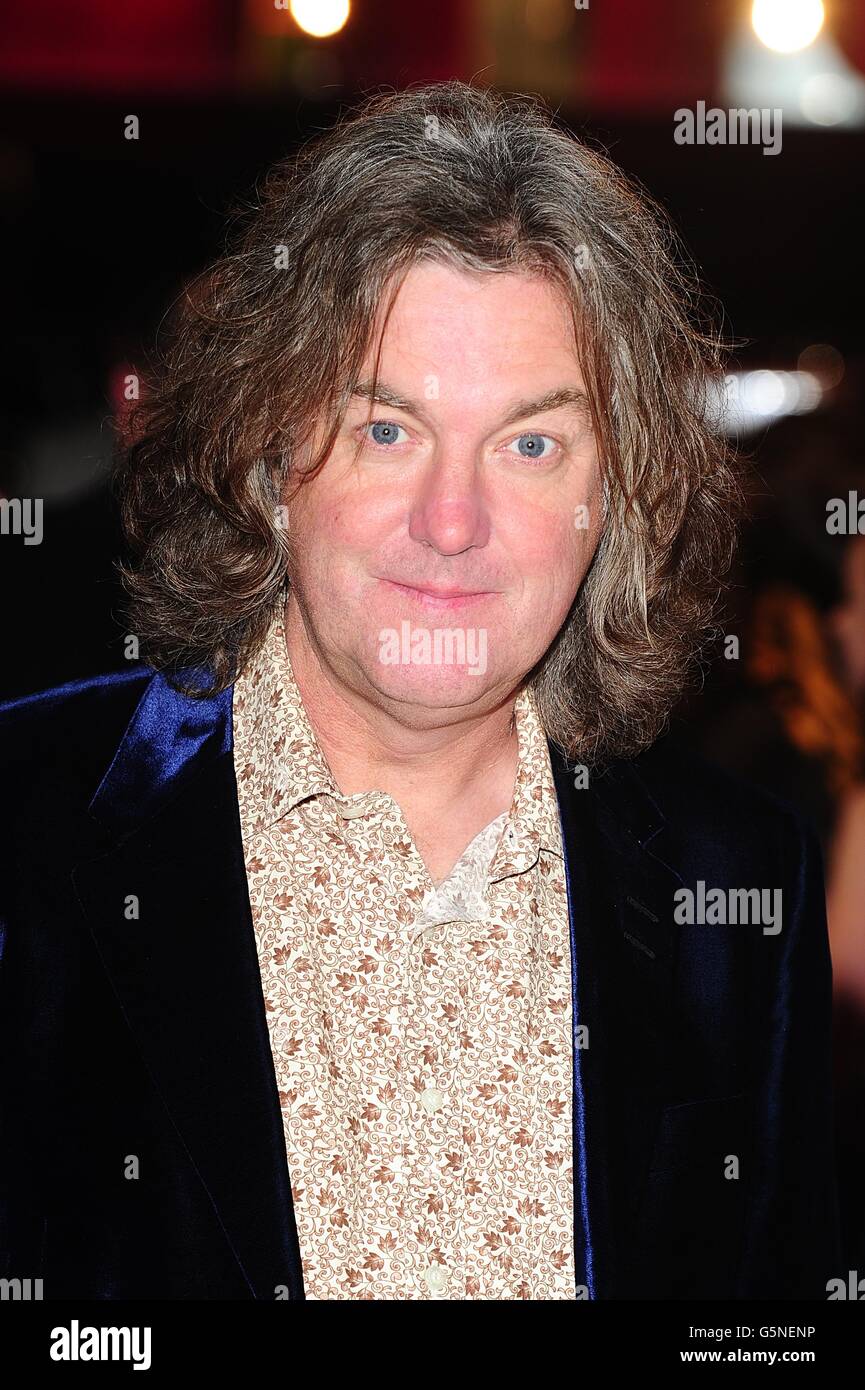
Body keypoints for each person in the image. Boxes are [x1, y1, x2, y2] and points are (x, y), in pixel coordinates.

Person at [0, 80, 841, 1301]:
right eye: (387, 429)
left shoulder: (736, 878)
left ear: (616, 500)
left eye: (532, 443)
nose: (453, 523)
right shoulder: (28, 828)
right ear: (268, 451)